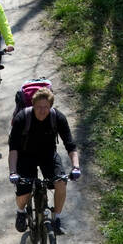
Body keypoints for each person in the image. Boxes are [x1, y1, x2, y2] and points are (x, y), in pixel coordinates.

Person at [8, 87, 80, 235]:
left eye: (46, 107)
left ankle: (57, 218)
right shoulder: (22, 118)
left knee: (60, 182)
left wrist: (76, 167)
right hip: (25, 156)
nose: (42, 111)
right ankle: (20, 211)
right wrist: (13, 172)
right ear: (33, 105)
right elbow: (13, 149)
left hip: (48, 156)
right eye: (39, 107)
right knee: (24, 191)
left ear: (51, 106)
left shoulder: (58, 118)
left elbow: (70, 145)